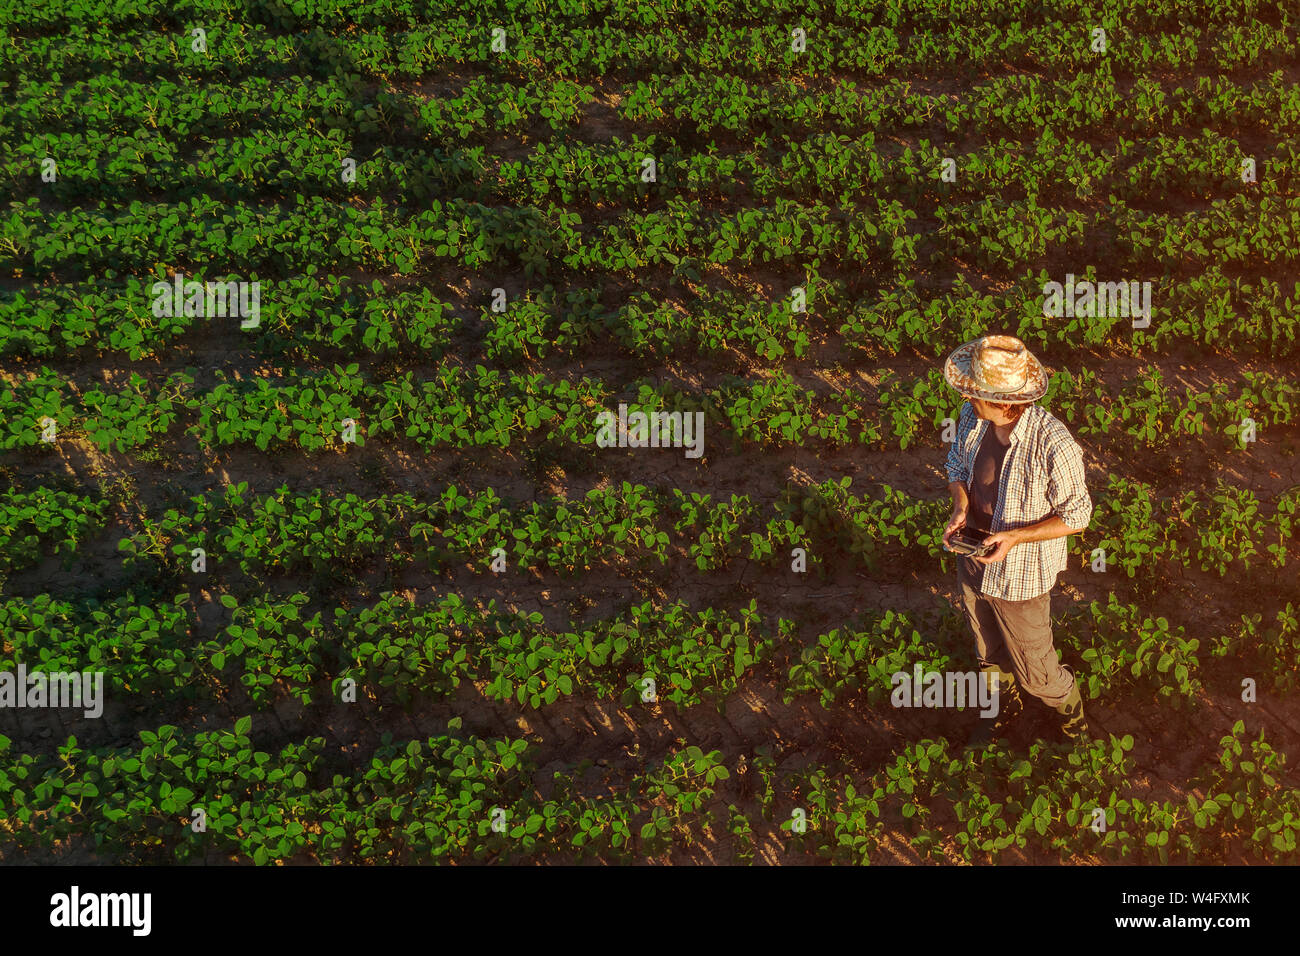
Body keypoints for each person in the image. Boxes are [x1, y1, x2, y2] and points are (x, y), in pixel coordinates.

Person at [939, 334, 1094, 746]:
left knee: (1038, 671)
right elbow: (956, 462)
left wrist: (1016, 538)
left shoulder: (1053, 443)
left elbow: (1078, 515)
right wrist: (960, 506)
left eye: (977, 395)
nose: (968, 399)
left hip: (1020, 579)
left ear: (1005, 402)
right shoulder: (972, 418)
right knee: (987, 651)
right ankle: (1000, 710)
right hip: (974, 562)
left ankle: (1072, 725)